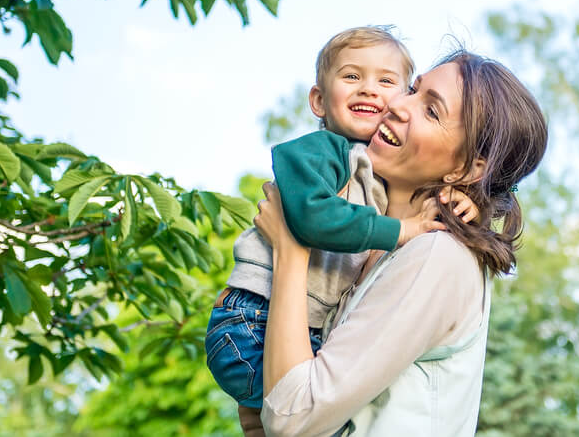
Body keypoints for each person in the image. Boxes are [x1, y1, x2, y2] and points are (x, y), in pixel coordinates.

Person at [254, 50, 548, 436]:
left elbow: (292, 417)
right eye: (413, 89)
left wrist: (291, 248)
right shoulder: (374, 239)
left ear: (467, 168)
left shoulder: (436, 255)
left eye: (431, 111)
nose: (398, 105)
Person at [206, 28, 478, 433]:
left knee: (283, 416)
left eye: (388, 83)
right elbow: (312, 219)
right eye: (352, 77)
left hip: (278, 323)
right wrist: (400, 230)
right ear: (318, 100)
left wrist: (467, 195)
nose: (371, 92)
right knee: (297, 412)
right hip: (251, 321)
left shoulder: (377, 179)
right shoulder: (319, 153)